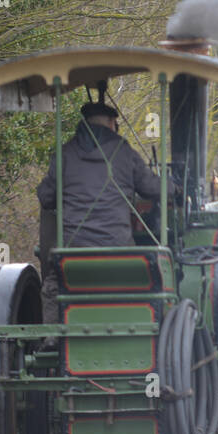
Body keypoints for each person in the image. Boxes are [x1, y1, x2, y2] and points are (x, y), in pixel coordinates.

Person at [36, 101, 169, 325]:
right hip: (117, 247)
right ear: (111, 123)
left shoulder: (65, 154)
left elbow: (46, 197)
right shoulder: (124, 152)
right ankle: (140, 325)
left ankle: (52, 337)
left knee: (52, 286)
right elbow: (153, 188)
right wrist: (173, 187)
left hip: (73, 251)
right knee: (150, 274)